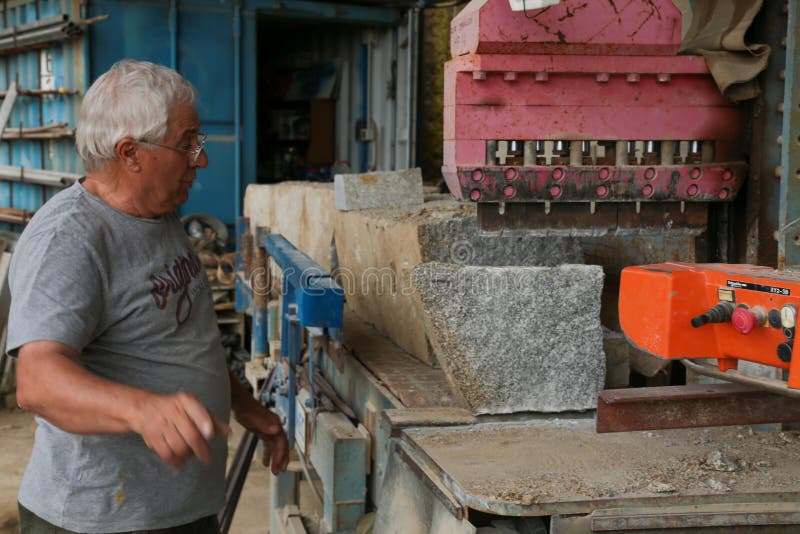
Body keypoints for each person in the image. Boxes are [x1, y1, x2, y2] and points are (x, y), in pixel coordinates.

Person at [8, 59, 289, 534]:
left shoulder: (159, 214)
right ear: (130, 153)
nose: (201, 159)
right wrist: (142, 409)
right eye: (187, 144)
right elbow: (38, 381)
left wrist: (245, 406)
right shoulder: (71, 238)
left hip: (176, 509)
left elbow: (178, 336)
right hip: (101, 520)